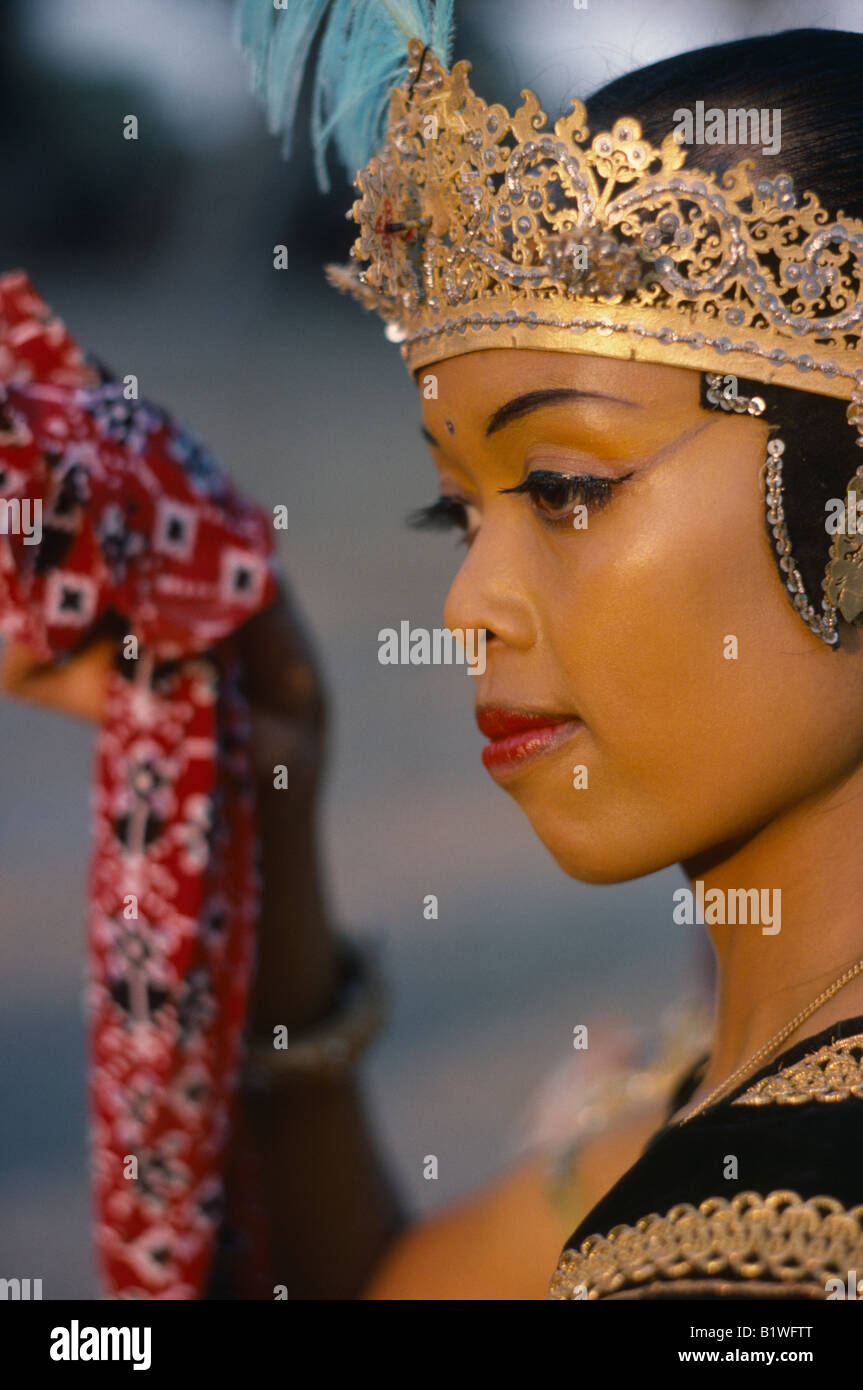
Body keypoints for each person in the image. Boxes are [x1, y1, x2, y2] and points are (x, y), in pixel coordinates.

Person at [5, 8, 863, 1300]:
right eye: (456, 510)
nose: (469, 601)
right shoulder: (726, 1094)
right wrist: (267, 759)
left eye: (568, 487)